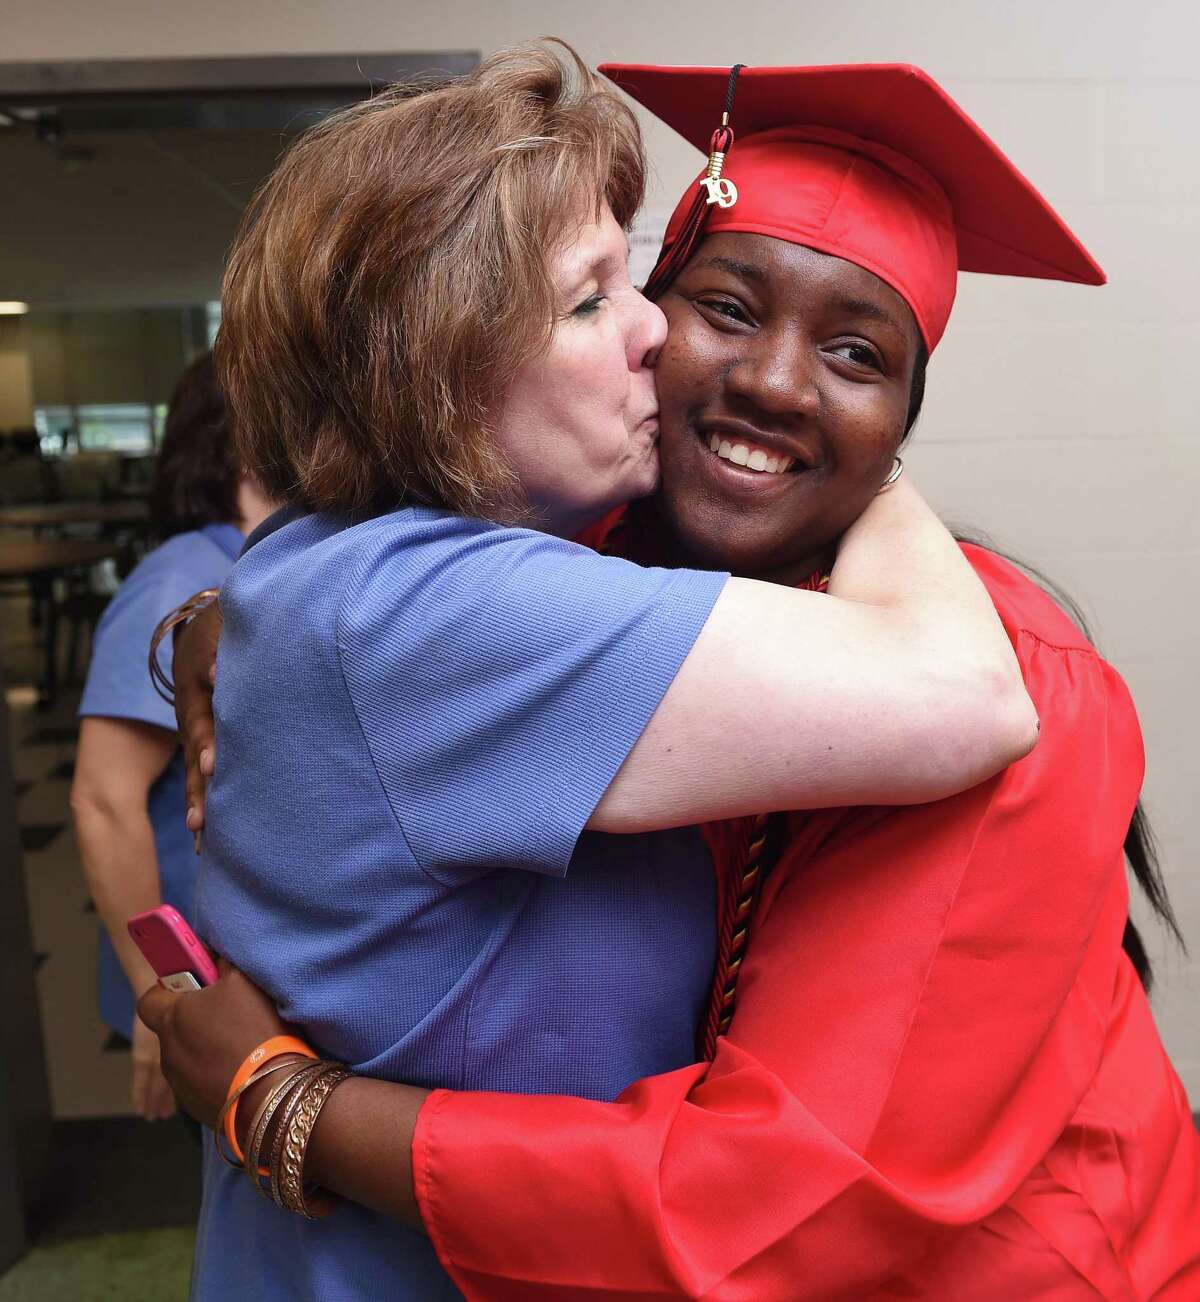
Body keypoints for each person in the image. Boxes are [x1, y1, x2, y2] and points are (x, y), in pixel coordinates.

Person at [146, 60, 1198, 1299]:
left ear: (904, 419)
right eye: (726, 309)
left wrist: (294, 1109)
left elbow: (779, 1209)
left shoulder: (1009, 683)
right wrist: (241, 621)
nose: (772, 381)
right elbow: (387, 611)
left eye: (858, 356)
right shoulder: (585, 556)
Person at [70, 353, 273, 1120]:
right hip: (190, 986)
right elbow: (102, 801)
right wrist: (160, 1002)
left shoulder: (264, 567)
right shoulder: (177, 582)